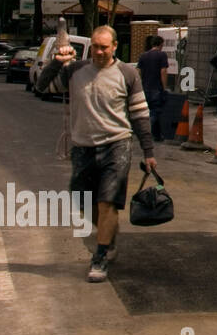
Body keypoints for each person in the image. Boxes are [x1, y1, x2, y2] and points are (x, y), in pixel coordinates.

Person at [36, 25, 157, 282]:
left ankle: (100, 256)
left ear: (114, 47)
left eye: (104, 47)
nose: (99, 51)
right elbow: (42, 86)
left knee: (107, 202)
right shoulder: (76, 70)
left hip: (117, 145)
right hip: (83, 147)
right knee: (82, 199)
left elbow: (140, 114)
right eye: (95, 46)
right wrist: (56, 62)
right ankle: (108, 231)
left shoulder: (128, 73)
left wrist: (148, 151)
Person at [136, 35, 170, 143]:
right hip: (156, 87)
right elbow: (163, 71)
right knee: (155, 111)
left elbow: (138, 71)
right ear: (160, 44)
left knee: (147, 111)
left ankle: (155, 134)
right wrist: (164, 87)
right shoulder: (162, 55)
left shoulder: (143, 55)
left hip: (145, 87)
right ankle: (148, 133)